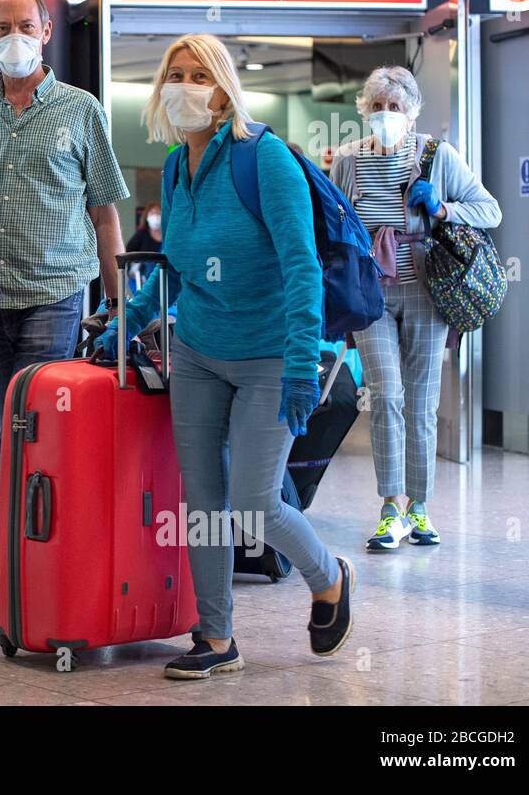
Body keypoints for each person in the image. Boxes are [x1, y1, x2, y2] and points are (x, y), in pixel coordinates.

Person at [97, 34, 355, 678]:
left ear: (223, 89)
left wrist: (302, 364)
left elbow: (302, 268)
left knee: (252, 503)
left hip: (270, 355)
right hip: (200, 353)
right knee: (203, 501)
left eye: (199, 75)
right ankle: (216, 638)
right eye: (174, 75)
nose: (185, 87)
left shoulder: (264, 159)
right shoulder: (179, 169)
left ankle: (328, 577)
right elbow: (176, 268)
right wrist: (130, 320)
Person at [0, 0, 129, 634]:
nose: (14, 37)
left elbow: (105, 213)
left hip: (56, 291)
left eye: (25, 25)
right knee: (16, 441)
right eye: (2, 27)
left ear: (46, 31)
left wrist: (117, 299)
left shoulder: (80, 110)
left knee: (27, 438)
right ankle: (27, 577)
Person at [329, 66, 500, 551]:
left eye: (395, 108)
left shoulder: (437, 156)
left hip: (426, 291)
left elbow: (490, 210)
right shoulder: (349, 159)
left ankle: (420, 508)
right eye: (378, 107)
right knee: (385, 395)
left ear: (413, 112)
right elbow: (332, 220)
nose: (386, 116)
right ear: (365, 111)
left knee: (423, 403)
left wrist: (443, 208)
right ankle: (389, 507)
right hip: (371, 294)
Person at [124, 202, 163, 289]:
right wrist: (133, 268)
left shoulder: (167, 236)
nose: (155, 216)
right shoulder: (141, 235)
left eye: (157, 213)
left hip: (164, 275)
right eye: (152, 213)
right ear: (147, 217)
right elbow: (127, 252)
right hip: (143, 277)